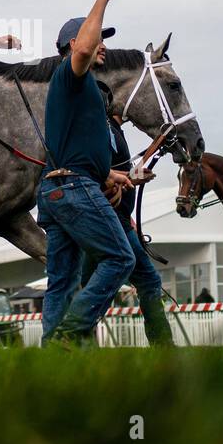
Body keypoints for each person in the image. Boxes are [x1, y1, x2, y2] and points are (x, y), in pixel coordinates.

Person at [37, 0, 136, 347]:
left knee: (62, 279)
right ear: (74, 46)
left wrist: (110, 174)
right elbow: (83, 50)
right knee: (120, 258)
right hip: (73, 188)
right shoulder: (71, 75)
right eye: (97, 40)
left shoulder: (80, 89)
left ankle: (52, 357)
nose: (103, 46)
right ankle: (71, 331)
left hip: (58, 187)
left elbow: (74, 148)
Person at [68, 78, 174, 346]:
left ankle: (77, 342)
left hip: (117, 221)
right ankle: (72, 333)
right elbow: (100, 173)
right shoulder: (105, 130)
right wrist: (129, 178)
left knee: (95, 285)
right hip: (108, 222)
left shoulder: (112, 130)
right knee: (143, 281)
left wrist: (129, 214)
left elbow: (110, 171)